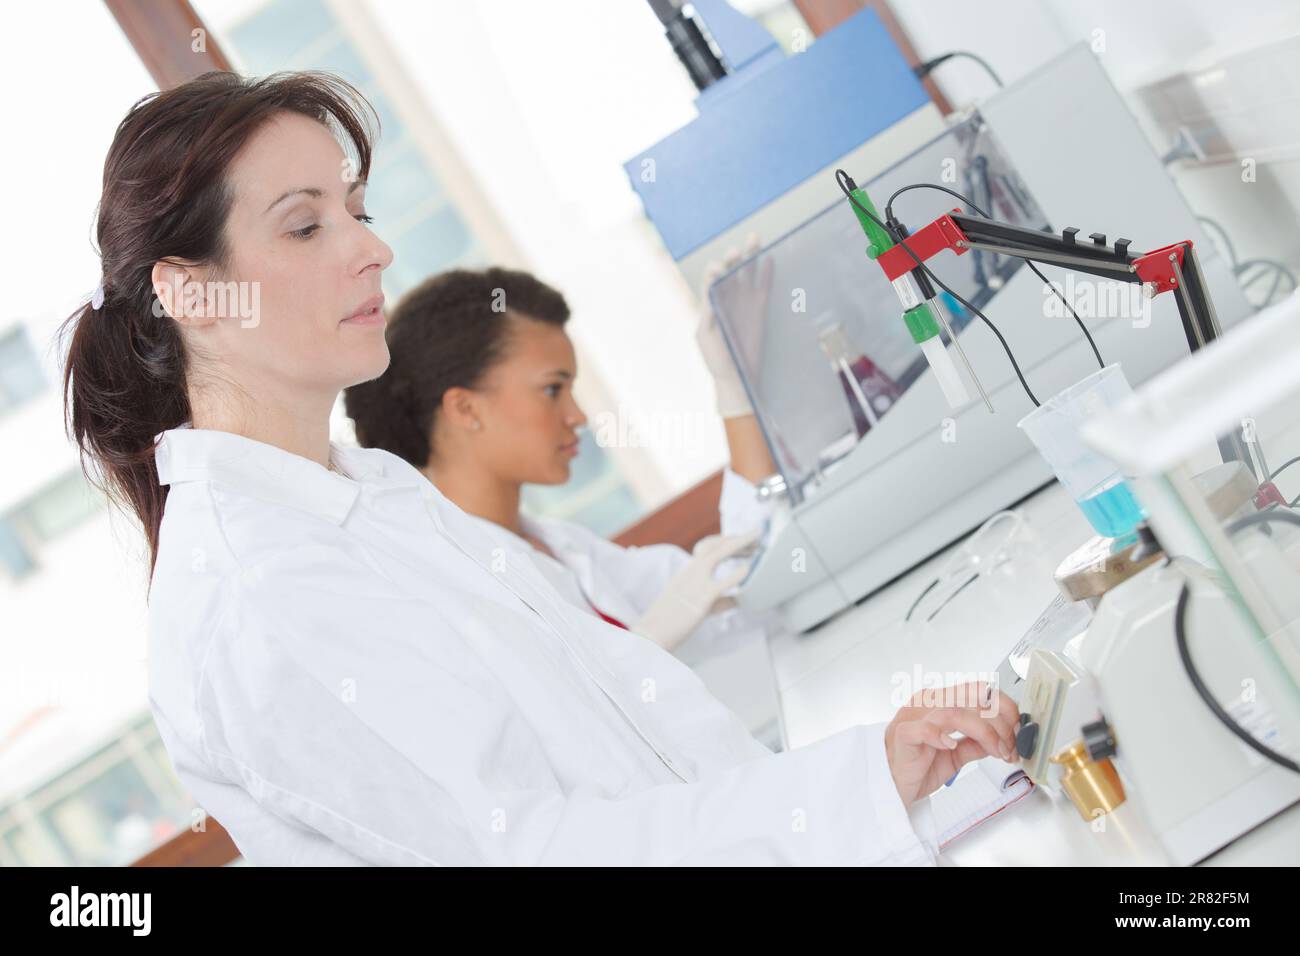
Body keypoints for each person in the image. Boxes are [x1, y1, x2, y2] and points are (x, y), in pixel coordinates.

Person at [62, 69, 1020, 866]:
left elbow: (645, 736)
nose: (372, 248)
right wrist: (860, 787)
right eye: (306, 226)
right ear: (191, 292)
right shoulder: (262, 593)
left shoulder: (372, 497)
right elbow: (535, 851)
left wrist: (875, 790)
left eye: (356, 210)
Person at [342, 267, 775, 672]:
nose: (578, 416)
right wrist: (645, 644)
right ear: (465, 408)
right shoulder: (452, 584)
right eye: (552, 389)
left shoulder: (560, 545)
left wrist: (734, 387)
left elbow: (742, 580)